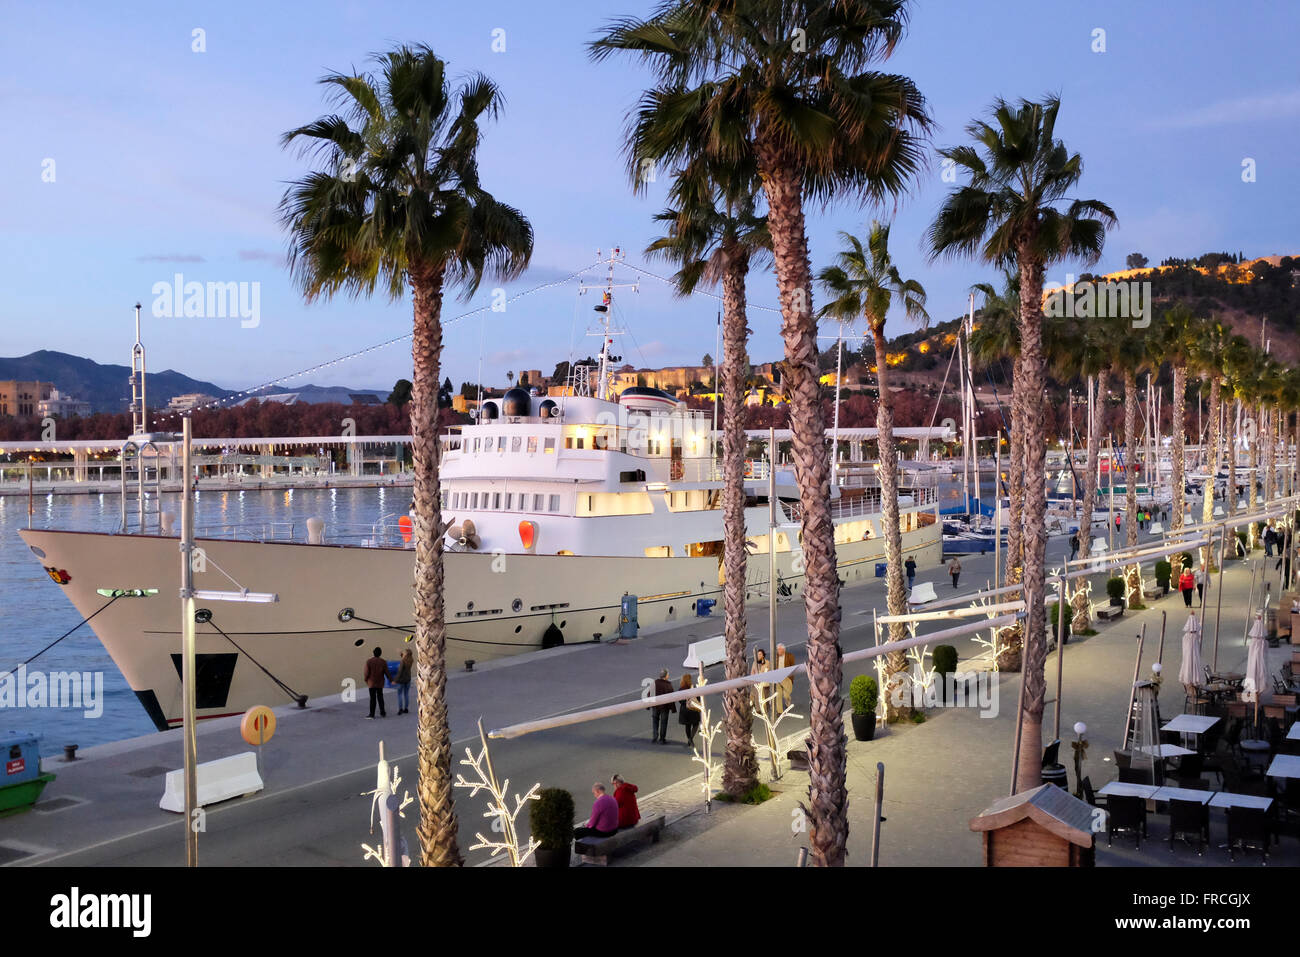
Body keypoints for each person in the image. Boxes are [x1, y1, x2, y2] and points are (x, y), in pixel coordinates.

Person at [649, 668, 675, 744]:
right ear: (666, 676)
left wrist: (649, 705)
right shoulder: (668, 685)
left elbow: (649, 694)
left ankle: (655, 736)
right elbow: (671, 696)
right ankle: (662, 739)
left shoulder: (654, 683)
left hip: (655, 706)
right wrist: (672, 708)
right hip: (664, 707)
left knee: (655, 720)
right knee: (664, 722)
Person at [363, 646, 388, 718]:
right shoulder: (383, 661)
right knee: (380, 697)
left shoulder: (369, 661)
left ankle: (372, 714)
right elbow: (387, 672)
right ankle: (382, 712)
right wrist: (391, 680)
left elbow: (366, 672)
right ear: (380, 653)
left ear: (373, 653)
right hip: (380, 682)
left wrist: (366, 679)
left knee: (372, 699)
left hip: (372, 683)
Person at [678, 674, 701, 747]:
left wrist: (685, 702)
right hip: (693, 709)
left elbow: (680, 701)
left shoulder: (680, 689)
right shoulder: (693, 688)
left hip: (684, 709)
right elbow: (699, 699)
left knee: (687, 725)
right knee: (696, 724)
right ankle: (690, 738)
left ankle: (689, 739)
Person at [775, 643, 796, 711]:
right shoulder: (776, 657)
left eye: (780, 650)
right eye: (778, 650)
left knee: (786, 695)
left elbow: (793, 668)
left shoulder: (790, 656)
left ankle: (788, 703)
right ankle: (779, 711)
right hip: (778, 677)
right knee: (778, 695)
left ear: (784, 650)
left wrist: (791, 679)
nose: (778, 651)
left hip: (786, 678)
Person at [394, 647, 413, 715]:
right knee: (406, 694)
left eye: (404, 652)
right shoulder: (411, 660)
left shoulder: (402, 661)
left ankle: (400, 709)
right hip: (408, 679)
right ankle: (406, 709)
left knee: (399, 695)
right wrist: (400, 653)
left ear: (406, 654)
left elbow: (399, 672)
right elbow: (405, 656)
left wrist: (395, 680)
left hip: (401, 680)